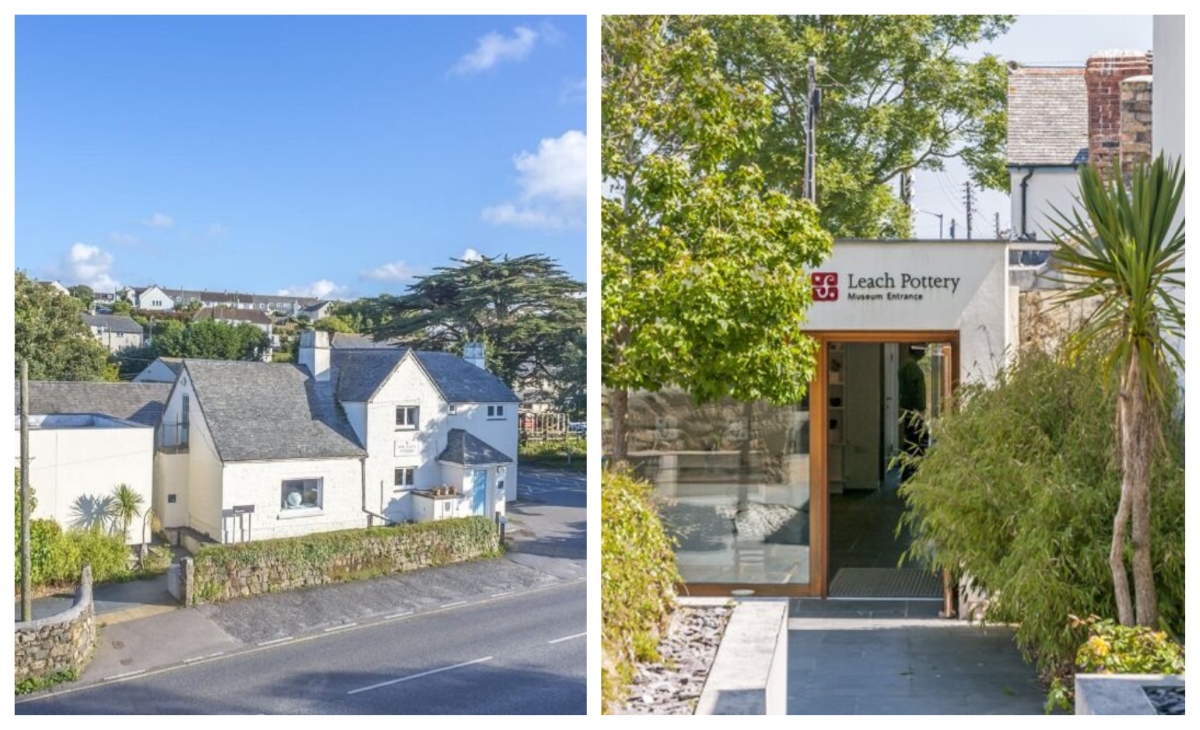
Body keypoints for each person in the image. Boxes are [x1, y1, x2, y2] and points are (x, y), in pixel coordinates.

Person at [898, 344, 927, 480]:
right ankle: (912, 473)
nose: (925, 352)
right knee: (915, 442)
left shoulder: (907, 364)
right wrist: (918, 411)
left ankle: (909, 472)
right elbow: (913, 390)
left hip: (910, 410)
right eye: (924, 349)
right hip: (913, 411)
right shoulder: (911, 366)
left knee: (912, 441)